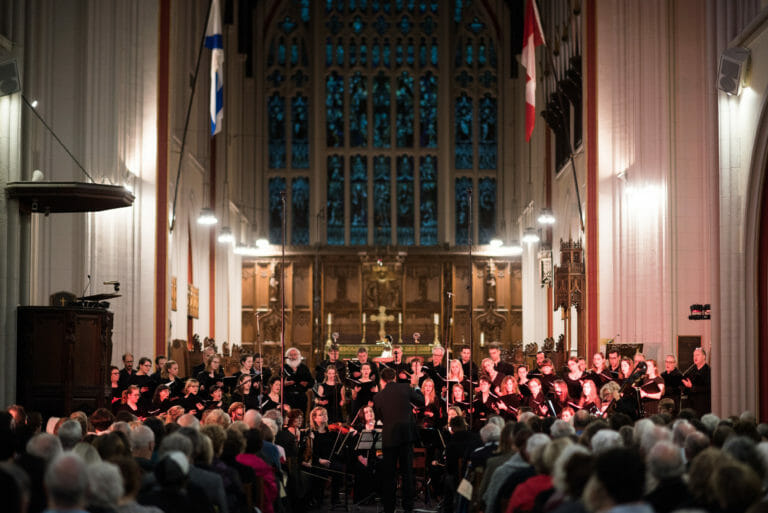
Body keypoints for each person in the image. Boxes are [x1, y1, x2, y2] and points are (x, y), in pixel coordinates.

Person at [373, 366, 425, 513]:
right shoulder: (406, 388)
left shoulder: (378, 397)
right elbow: (421, 401)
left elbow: (380, 418)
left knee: (389, 475)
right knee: (407, 473)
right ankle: (408, 507)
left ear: (382, 380)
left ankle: (389, 507)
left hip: (389, 438)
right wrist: (415, 386)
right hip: (406, 437)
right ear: (395, 377)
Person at [283, 347, 314, 414]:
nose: (293, 357)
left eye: (295, 354)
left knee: (301, 418)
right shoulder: (284, 368)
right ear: (287, 357)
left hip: (301, 397)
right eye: (290, 355)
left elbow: (312, 382)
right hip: (288, 397)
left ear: (299, 356)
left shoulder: (304, 368)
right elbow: (278, 383)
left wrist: (306, 384)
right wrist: (284, 383)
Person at [682, 347, 711, 417]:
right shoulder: (691, 370)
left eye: (697, 355)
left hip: (703, 406)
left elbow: (708, 388)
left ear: (704, 357)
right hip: (691, 406)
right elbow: (686, 386)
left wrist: (692, 387)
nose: (695, 357)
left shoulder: (708, 371)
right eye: (694, 355)